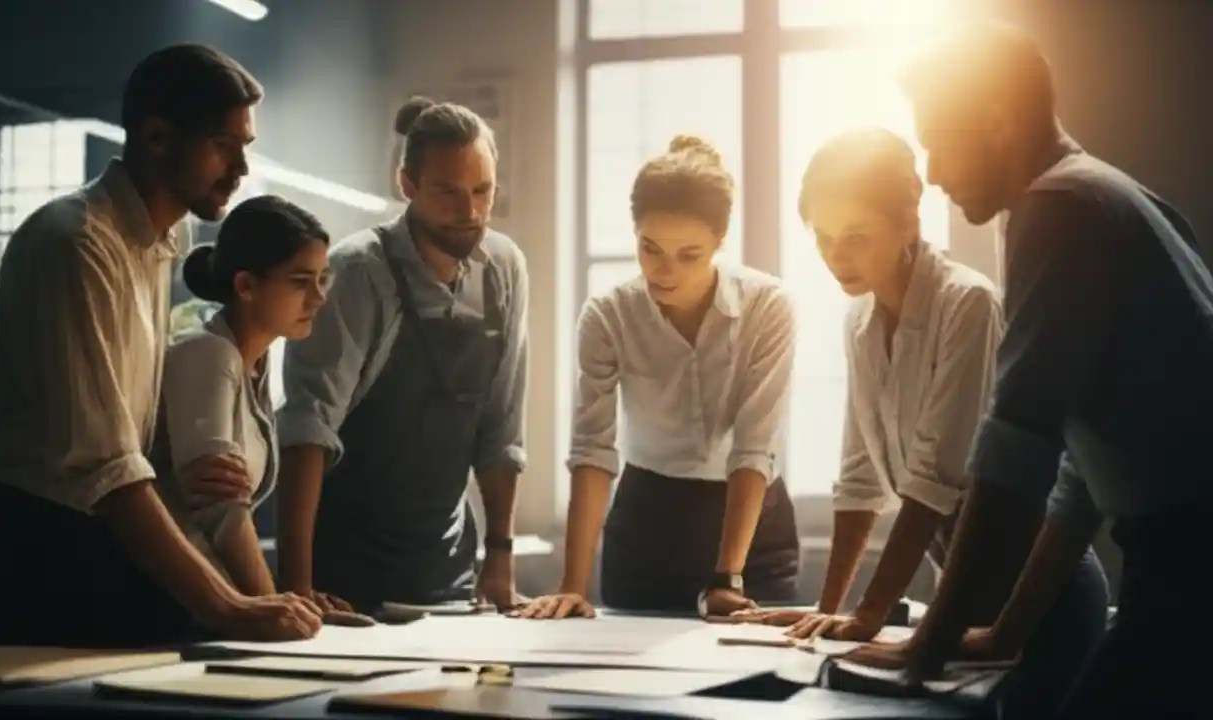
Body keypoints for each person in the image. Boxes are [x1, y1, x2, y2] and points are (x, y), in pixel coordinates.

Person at [842, 23, 1213, 719]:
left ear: (998, 121)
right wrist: (1003, 632)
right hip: (1177, 550)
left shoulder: (1060, 208)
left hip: (1192, 552)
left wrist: (932, 642)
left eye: (939, 143)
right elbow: (1079, 475)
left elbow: (1017, 445)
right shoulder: (1105, 194)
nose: (935, 172)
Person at [0, 45, 322, 647]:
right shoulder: (77, 242)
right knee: (205, 639)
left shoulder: (163, 238)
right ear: (156, 137)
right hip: (22, 546)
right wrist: (230, 605)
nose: (241, 168)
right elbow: (108, 468)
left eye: (244, 147)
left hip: (87, 539)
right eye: (224, 145)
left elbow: (128, 444)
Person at [752, 128, 1106, 719]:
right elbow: (860, 476)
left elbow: (933, 483)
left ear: (909, 217)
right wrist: (830, 609)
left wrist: (870, 614)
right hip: (964, 603)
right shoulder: (859, 323)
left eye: (857, 236)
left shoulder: (967, 304)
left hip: (1045, 600)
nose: (838, 256)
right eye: (824, 237)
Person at [515, 136, 799, 620]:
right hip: (648, 520)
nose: (664, 272)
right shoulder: (608, 315)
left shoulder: (766, 306)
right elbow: (592, 451)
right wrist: (571, 585)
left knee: (752, 674)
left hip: (750, 523)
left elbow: (755, 446)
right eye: (650, 248)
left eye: (689, 254)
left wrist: (726, 578)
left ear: (719, 242)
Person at [276, 97, 529, 613]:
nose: (471, 212)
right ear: (406, 186)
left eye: (483, 190)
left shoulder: (504, 268)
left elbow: (501, 427)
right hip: (347, 571)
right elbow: (308, 430)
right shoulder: (358, 273)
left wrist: (498, 556)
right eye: (448, 193)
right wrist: (295, 587)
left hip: (448, 567)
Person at [152, 195, 338, 607]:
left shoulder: (254, 365)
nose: (318, 298)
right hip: (177, 601)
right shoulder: (208, 354)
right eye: (300, 281)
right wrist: (275, 607)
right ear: (246, 286)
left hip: (216, 598)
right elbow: (220, 510)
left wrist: (291, 601)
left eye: (322, 279)